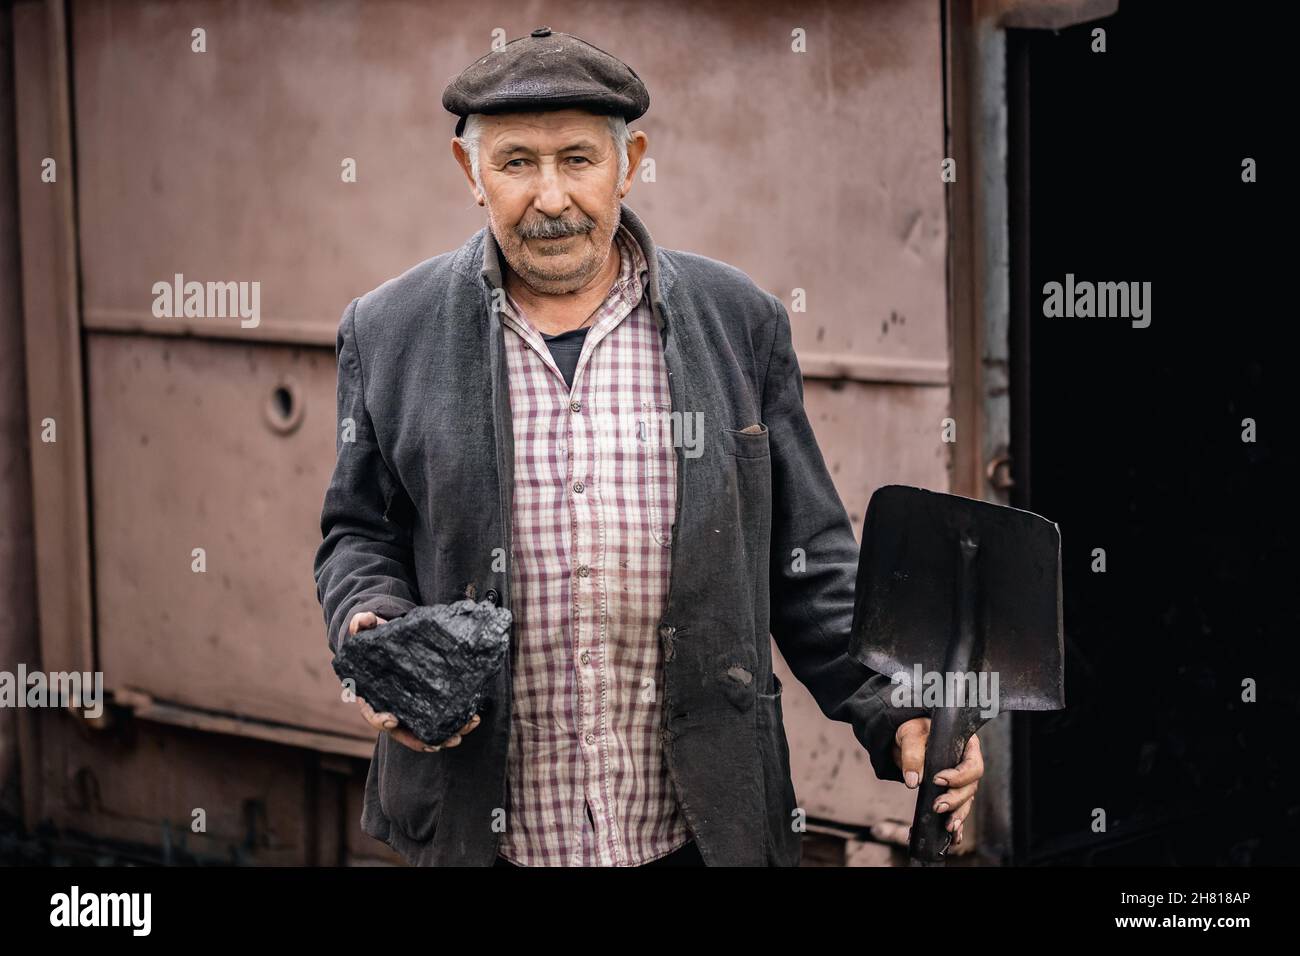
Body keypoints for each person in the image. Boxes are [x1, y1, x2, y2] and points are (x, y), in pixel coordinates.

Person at [314, 27, 983, 867]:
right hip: (485, 828)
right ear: (469, 173)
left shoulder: (739, 321)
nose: (551, 197)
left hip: (696, 829)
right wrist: (375, 627)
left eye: (579, 159)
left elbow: (806, 558)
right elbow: (358, 532)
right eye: (517, 162)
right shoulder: (388, 330)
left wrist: (896, 704)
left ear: (630, 162)